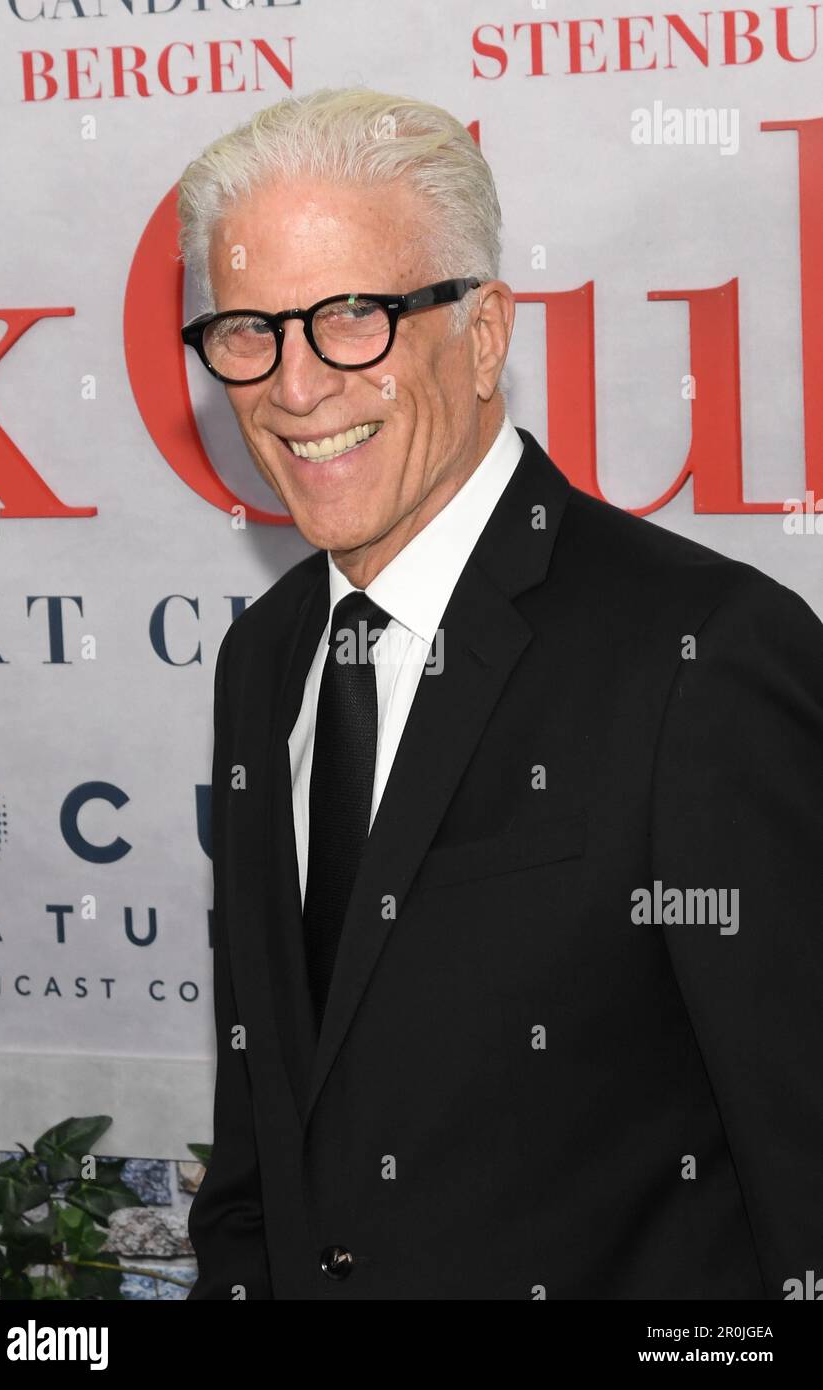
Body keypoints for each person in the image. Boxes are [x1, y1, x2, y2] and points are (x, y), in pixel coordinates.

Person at [177, 87, 823, 1300]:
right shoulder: (263, 660)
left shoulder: (703, 656)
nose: (296, 387)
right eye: (248, 329)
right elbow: (265, 1130)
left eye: (354, 317)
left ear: (481, 334)